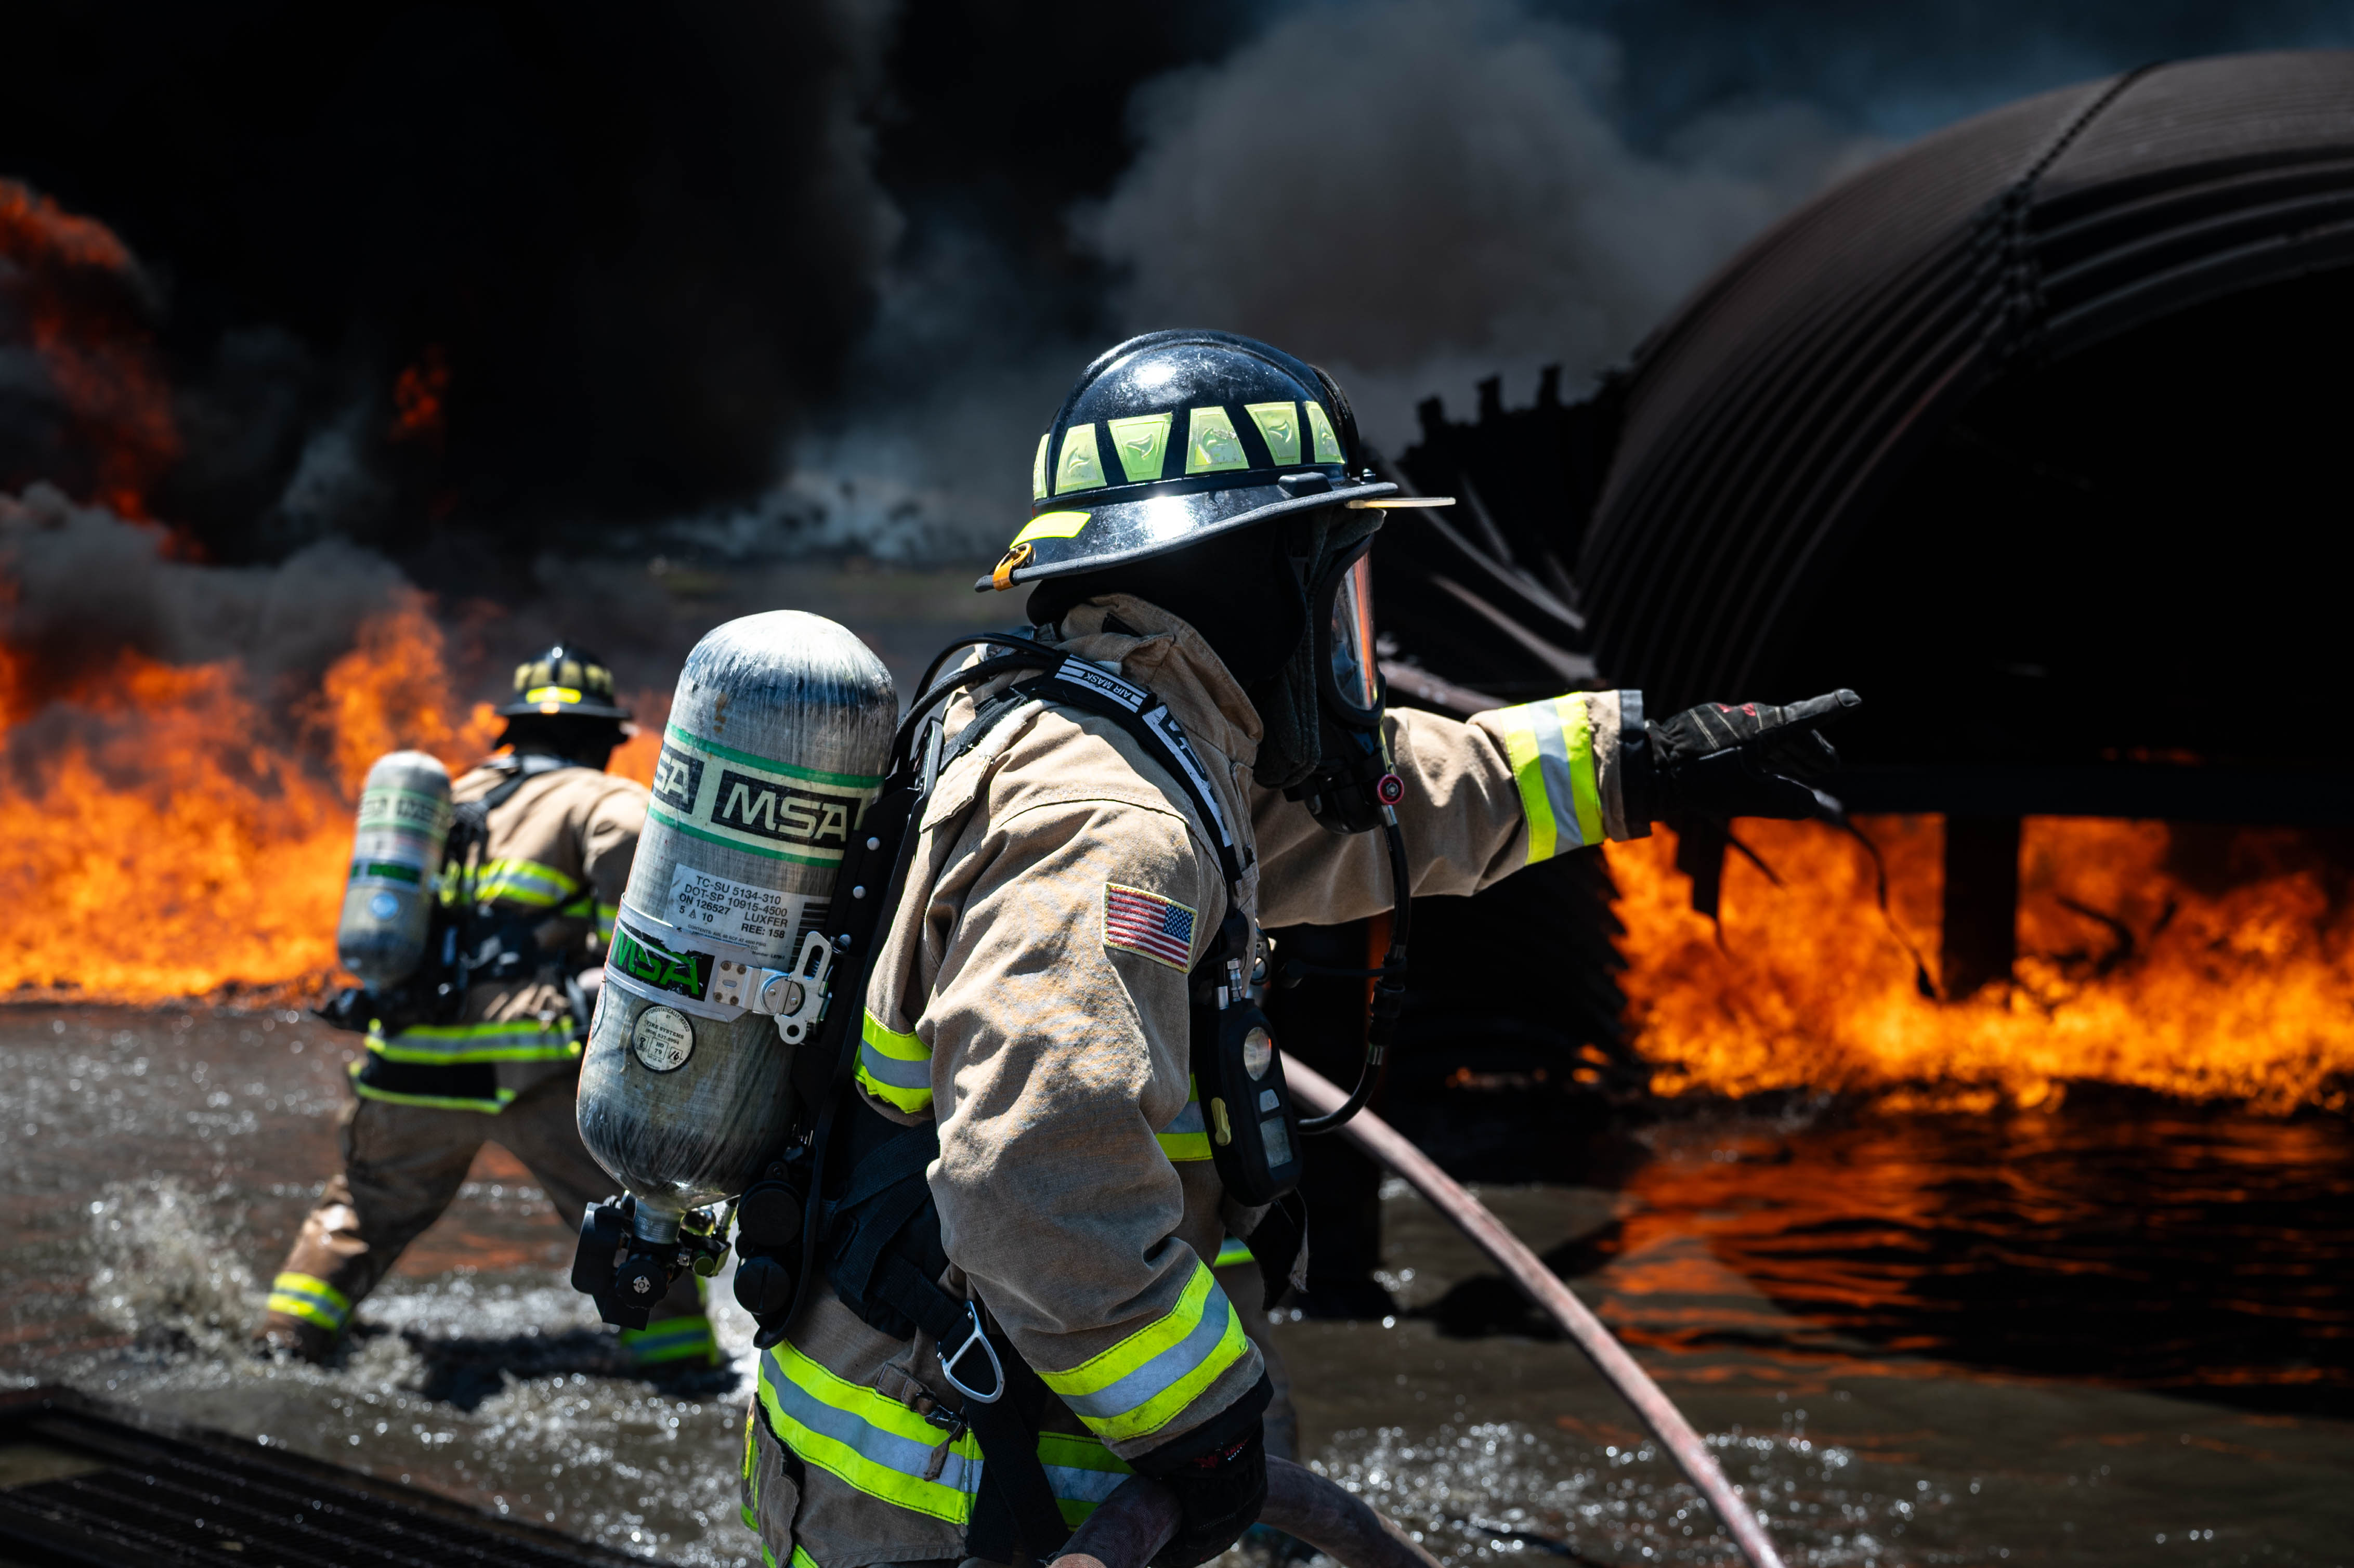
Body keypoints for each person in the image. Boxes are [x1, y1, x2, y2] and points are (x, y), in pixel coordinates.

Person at [739, 332, 1852, 1568]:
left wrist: (1633, 757)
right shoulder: (1110, 820)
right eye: (1321, 565)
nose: (1335, 612)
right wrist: (1206, 1423)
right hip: (978, 1504)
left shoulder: (1111, 733)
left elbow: (1379, 806)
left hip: (995, 1460)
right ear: (1244, 569)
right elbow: (1033, 1176)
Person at [261, 646, 714, 1369]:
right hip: (531, 1065)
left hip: (411, 1060)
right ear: (602, 737)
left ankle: (286, 1342)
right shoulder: (602, 800)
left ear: (515, 730)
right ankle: (683, 1369)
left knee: (361, 1210)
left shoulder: (445, 800)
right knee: (637, 1218)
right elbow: (644, 880)